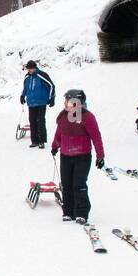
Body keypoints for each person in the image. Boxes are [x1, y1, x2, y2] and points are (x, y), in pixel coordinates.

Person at [51, 89, 105, 224]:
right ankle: (68, 211)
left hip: (82, 156)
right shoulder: (63, 116)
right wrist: (54, 146)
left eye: (68, 101)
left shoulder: (87, 117)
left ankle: (81, 212)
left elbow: (96, 137)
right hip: (66, 156)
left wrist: (100, 155)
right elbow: (59, 133)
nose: (66, 103)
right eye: (66, 101)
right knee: (66, 185)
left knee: (78, 184)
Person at [19, 61, 55, 148]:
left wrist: (52, 98)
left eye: (31, 68)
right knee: (32, 121)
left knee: (40, 120)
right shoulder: (27, 77)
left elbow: (51, 86)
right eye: (28, 68)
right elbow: (25, 88)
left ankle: (41, 141)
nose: (29, 70)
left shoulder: (42, 75)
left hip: (41, 102)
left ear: (35, 68)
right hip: (31, 103)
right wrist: (23, 96)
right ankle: (34, 141)